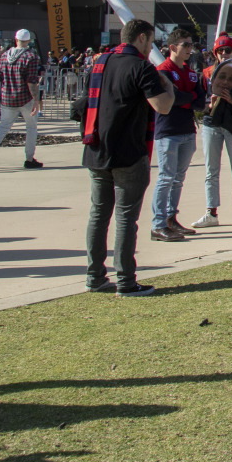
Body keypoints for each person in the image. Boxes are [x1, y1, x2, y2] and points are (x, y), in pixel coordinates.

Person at [81, 19, 175, 296]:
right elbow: (163, 106)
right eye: (151, 41)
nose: (151, 48)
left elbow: (85, 102)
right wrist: (168, 87)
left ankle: (95, 276)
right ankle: (125, 280)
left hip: (97, 148)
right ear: (142, 38)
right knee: (125, 218)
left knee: (98, 215)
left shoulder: (99, 63)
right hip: (128, 152)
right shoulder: (141, 67)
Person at [194, 35, 232, 229]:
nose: (224, 54)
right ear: (215, 53)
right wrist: (208, 106)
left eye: (228, 50)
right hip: (211, 123)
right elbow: (198, 101)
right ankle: (211, 212)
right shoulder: (207, 73)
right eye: (220, 51)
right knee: (211, 170)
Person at [150, 33, 201, 242]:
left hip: (187, 129)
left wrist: (185, 97)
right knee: (166, 177)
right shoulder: (163, 71)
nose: (190, 49)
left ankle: (171, 218)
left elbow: (200, 100)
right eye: (186, 45)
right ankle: (158, 224)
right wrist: (188, 97)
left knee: (178, 178)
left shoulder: (190, 73)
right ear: (172, 47)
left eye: (191, 45)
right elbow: (172, 99)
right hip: (168, 130)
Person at [0, 29, 44, 171]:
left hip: (7, 97)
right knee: (31, 127)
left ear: (16, 39)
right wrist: (35, 100)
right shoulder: (31, 56)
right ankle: (29, 159)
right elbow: (31, 80)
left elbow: (0, 76)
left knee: (3, 126)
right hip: (25, 97)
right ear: (28, 41)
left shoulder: (4, 56)